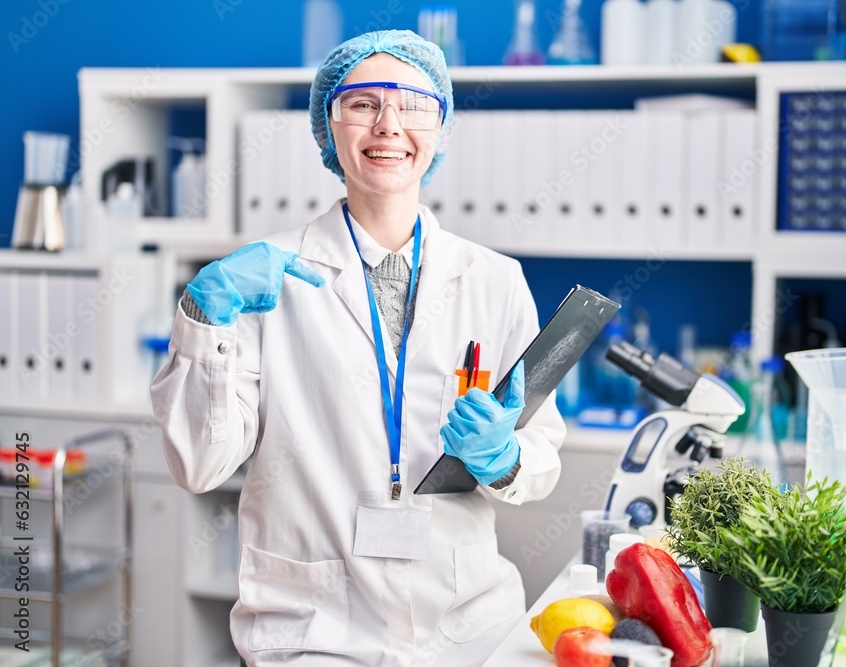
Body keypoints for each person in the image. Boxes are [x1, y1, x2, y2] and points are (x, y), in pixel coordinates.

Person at [150, 30, 566, 666]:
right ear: (328, 126)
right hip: (312, 629)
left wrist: (504, 457)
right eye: (362, 103)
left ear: (443, 126)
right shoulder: (263, 277)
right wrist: (202, 316)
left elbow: (541, 461)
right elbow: (199, 466)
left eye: (413, 105)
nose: (389, 125)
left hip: (469, 627)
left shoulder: (495, 280)